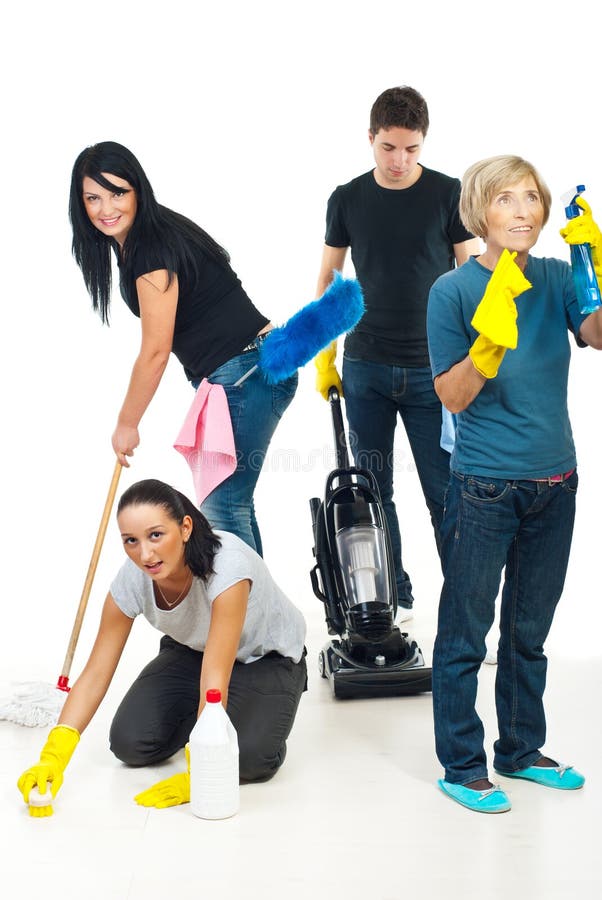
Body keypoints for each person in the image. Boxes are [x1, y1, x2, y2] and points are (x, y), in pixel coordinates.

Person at [426, 154, 602, 813]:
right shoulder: (453, 292)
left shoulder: (556, 277)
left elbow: (598, 335)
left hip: (557, 481)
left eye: (532, 197)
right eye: (506, 199)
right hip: (485, 488)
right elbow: (452, 393)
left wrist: (594, 273)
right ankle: (463, 765)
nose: (523, 210)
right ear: (480, 211)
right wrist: (488, 343)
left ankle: (521, 751)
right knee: (466, 632)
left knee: (529, 631)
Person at [17, 479, 307, 817]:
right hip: (191, 651)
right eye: (131, 541)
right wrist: (53, 756)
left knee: (253, 757)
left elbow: (215, 675)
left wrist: (202, 765)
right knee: (130, 742)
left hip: (266, 658)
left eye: (156, 535)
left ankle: (250, 717)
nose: (145, 555)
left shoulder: (228, 568)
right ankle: (218, 721)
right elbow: (96, 672)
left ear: (184, 528)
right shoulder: (132, 579)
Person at [69, 141, 297, 555]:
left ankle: (247, 619)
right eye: (93, 198)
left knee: (224, 507)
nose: (105, 208)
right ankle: (256, 617)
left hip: (244, 373)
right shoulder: (147, 237)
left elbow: (156, 351)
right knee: (234, 506)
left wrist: (127, 423)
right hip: (249, 368)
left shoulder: (150, 249)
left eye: (117, 193)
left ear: (137, 189)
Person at [313, 86, 480, 617]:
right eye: (388, 147)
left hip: (436, 371)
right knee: (372, 494)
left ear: (423, 142)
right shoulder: (347, 198)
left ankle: (468, 613)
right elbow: (330, 278)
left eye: (411, 149)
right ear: (370, 139)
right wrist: (325, 353)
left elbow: (474, 275)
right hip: (366, 368)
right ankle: (394, 599)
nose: (400, 160)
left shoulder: (449, 193)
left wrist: (477, 356)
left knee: (447, 496)